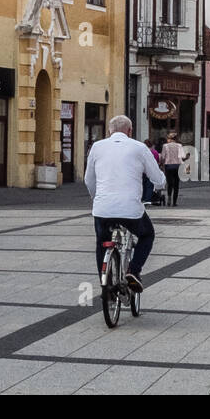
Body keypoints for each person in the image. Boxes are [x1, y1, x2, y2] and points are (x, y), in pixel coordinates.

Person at [84, 115, 164, 293]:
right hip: (130, 210)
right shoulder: (139, 147)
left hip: (102, 208)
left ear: (108, 131)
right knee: (147, 235)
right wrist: (160, 185)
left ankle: (105, 286)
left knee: (101, 242)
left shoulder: (97, 147)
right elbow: (157, 177)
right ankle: (133, 271)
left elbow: (89, 179)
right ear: (130, 131)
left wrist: (96, 197)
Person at [161, 135, 184, 206]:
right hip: (177, 166)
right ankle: (174, 202)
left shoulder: (165, 146)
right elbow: (182, 156)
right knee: (176, 184)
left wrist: (162, 165)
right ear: (175, 139)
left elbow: (163, 157)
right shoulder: (179, 146)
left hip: (168, 166)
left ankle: (169, 197)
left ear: (169, 139)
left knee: (170, 183)